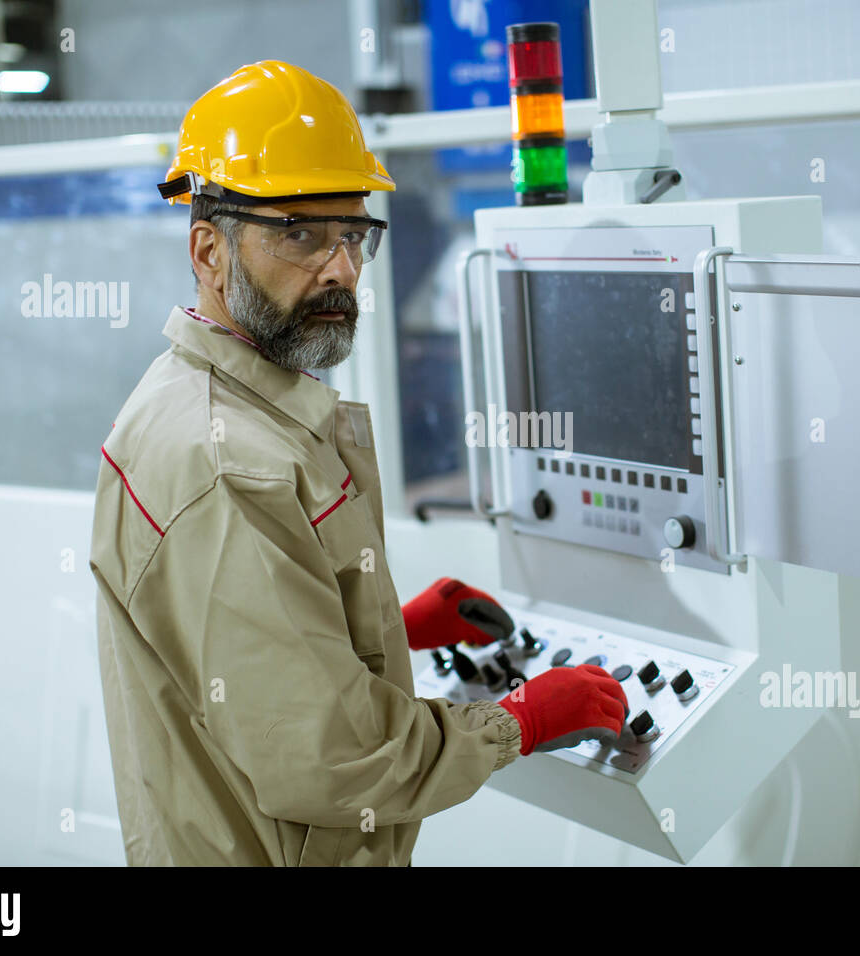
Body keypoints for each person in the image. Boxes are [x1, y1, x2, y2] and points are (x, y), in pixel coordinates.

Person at [90, 60, 628, 866]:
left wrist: (386, 630)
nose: (340, 268)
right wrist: (519, 722)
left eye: (352, 234)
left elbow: (236, 654)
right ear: (209, 250)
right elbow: (333, 760)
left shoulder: (216, 398)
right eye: (299, 233)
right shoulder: (230, 463)